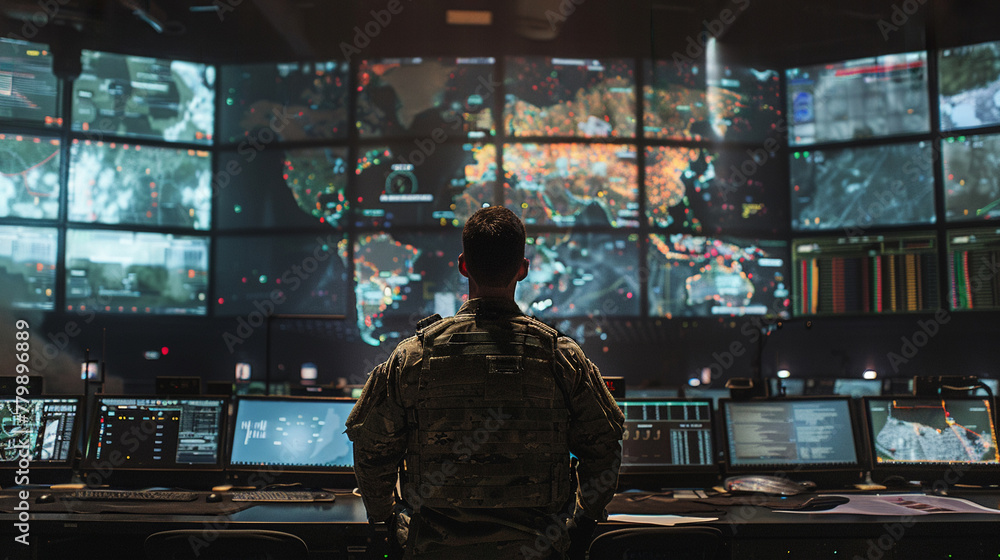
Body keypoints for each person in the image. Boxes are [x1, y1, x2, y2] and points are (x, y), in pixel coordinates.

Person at [346, 206, 624, 559]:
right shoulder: (561, 357)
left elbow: (371, 451)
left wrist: (386, 524)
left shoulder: (413, 357)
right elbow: (604, 447)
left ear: (463, 266)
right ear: (523, 269)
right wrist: (581, 525)